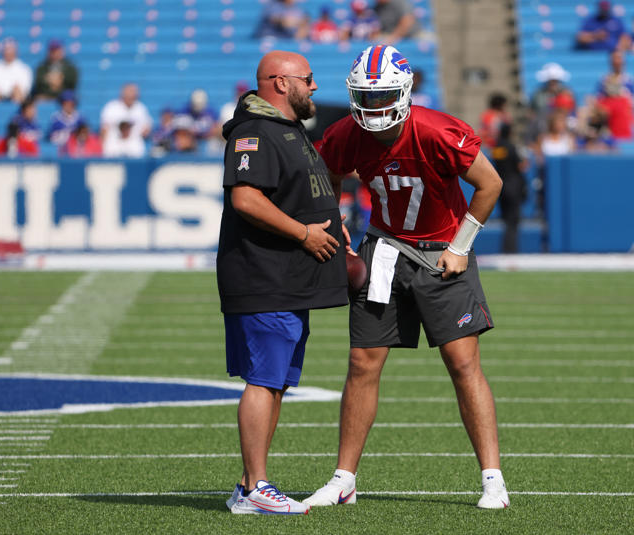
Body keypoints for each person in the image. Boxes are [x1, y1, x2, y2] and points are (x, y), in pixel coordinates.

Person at [303, 45, 509, 510]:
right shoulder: (344, 135)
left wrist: (461, 246)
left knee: (462, 364)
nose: (375, 108)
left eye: (384, 97)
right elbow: (331, 173)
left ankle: (493, 479)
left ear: (405, 91)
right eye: (366, 98)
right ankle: (344, 479)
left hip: (442, 256)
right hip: (384, 252)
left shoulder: (436, 130)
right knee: (362, 364)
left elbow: (490, 183)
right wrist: (336, 222)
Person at [217, 50, 347, 515]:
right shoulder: (255, 131)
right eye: (307, 79)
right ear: (278, 82)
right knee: (263, 380)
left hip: (287, 279)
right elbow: (247, 199)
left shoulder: (287, 130)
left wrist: (331, 221)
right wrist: (303, 233)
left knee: (275, 382)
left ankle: (249, 483)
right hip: (263, 275)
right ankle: (256, 486)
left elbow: (301, 193)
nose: (314, 87)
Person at [492, 123, 527, 254]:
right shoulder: (511, 147)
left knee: (506, 219)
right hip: (513, 184)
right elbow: (520, 165)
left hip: (501, 184)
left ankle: (507, 247)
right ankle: (511, 249)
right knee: (513, 220)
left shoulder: (497, 147)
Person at [100, 83, 152, 157]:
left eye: (134, 92)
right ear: (123, 93)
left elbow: (147, 128)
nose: (133, 95)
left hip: (133, 143)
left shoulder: (140, 108)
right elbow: (104, 129)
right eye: (130, 92)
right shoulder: (111, 107)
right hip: (115, 143)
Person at [0, 38, 33, 104]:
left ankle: (16, 113)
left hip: (17, 97)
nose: (8, 52)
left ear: (16, 51)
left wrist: (13, 91)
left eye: (11, 49)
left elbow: (25, 90)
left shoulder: (24, 68)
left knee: (17, 91)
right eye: (6, 50)